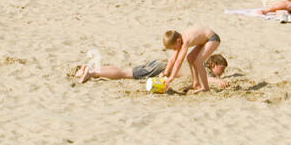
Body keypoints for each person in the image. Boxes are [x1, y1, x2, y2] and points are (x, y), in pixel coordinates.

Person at [78, 53, 228, 88]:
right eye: (222, 69)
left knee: (125, 70)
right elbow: (206, 79)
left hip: (160, 65)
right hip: (160, 69)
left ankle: (91, 69)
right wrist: (219, 80)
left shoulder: (198, 65)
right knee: (125, 74)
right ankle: (92, 73)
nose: (223, 72)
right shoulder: (203, 68)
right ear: (214, 64)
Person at [161, 27, 223, 92]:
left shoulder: (185, 41)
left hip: (212, 39)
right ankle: (196, 83)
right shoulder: (179, 41)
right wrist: (165, 73)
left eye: (174, 48)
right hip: (204, 40)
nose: (174, 50)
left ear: (178, 41)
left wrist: (172, 77)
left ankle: (205, 87)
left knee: (198, 61)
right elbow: (172, 59)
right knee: (190, 58)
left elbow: (179, 61)